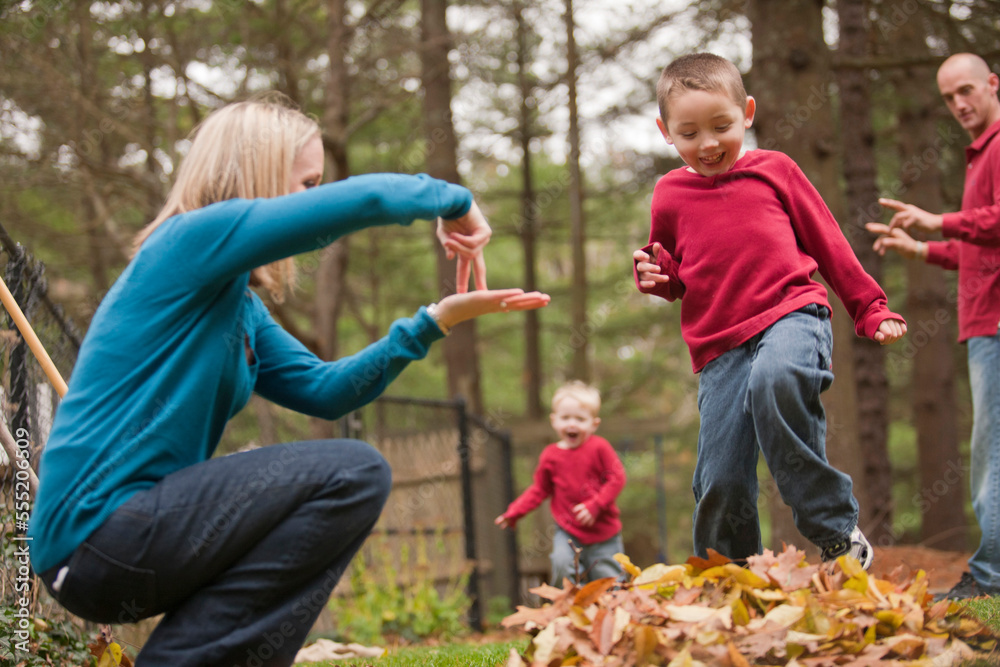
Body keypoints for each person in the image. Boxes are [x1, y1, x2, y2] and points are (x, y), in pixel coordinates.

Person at [27, 95, 550, 666]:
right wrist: (454, 200)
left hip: (134, 542)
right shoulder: (185, 243)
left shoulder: (239, 309)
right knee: (353, 472)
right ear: (256, 171)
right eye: (305, 183)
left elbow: (326, 392)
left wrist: (432, 323)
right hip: (98, 534)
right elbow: (358, 203)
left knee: (352, 474)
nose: (312, 199)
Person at [633, 53, 907, 569]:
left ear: (748, 112)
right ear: (665, 132)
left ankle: (836, 532)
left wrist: (869, 306)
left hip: (793, 314)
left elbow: (828, 243)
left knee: (776, 380)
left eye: (722, 126)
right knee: (721, 475)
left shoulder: (775, 170)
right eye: (689, 133)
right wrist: (655, 276)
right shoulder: (669, 193)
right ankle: (730, 573)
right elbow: (669, 270)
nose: (708, 143)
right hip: (719, 346)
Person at [866, 53, 1000, 599]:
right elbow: (980, 248)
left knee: (992, 453)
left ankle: (990, 580)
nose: (958, 104)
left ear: (993, 83)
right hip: (984, 319)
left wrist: (936, 219)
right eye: (948, 98)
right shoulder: (980, 153)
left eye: (966, 90)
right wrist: (922, 248)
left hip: (994, 323)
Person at [494, 381, 626, 585]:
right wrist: (515, 512)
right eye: (565, 418)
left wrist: (596, 505)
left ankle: (613, 612)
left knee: (610, 581)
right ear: (554, 421)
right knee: (563, 564)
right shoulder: (550, 456)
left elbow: (617, 478)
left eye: (580, 419)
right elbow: (539, 489)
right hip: (568, 531)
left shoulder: (599, 448)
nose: (572, 424)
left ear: (594, 424)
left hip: (604, 534)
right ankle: (572, 607)